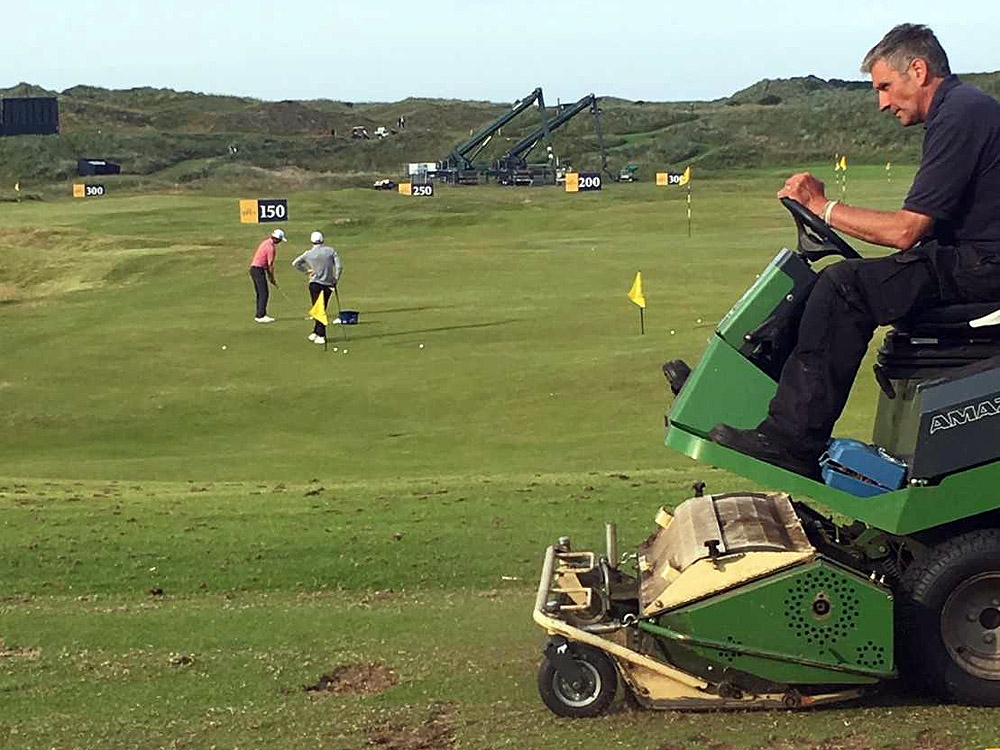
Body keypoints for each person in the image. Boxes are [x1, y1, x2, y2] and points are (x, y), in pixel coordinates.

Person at [709, 23, 1000, 478]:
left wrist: (823, 207)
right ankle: (737, 402)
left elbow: (906, 231)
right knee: (830, 282)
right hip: (968, 258)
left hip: (983, 266)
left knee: (844, 286)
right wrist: (826, 213)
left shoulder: (962, 114)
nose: (882, 102)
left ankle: (791, 441)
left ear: (918, 70)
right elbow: (919, 227)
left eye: (885, 86)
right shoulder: (961, 110)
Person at [291, 231, 343, 345]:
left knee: (318, 308)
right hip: (328, 284)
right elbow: (339, 266)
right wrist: (336, 279)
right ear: (322, 240)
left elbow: (295, 263)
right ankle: (320, 334)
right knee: (320, 308)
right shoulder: (330, 251)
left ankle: (317, 332)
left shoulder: (308, 253)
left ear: (312, 241)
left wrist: (307, 271)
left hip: (314, 284)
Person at [249, 228, 285, 323]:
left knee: (260, 293)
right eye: (280, 240)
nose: (280, 242)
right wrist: (272, 278)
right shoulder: (271, 248)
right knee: (264, 293)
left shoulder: (265, 242)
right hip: (258, 270)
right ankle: (261, 316)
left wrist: (270, 277)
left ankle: (259, 314)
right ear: (277, 239)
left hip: (254, 269)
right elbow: (270, 265)